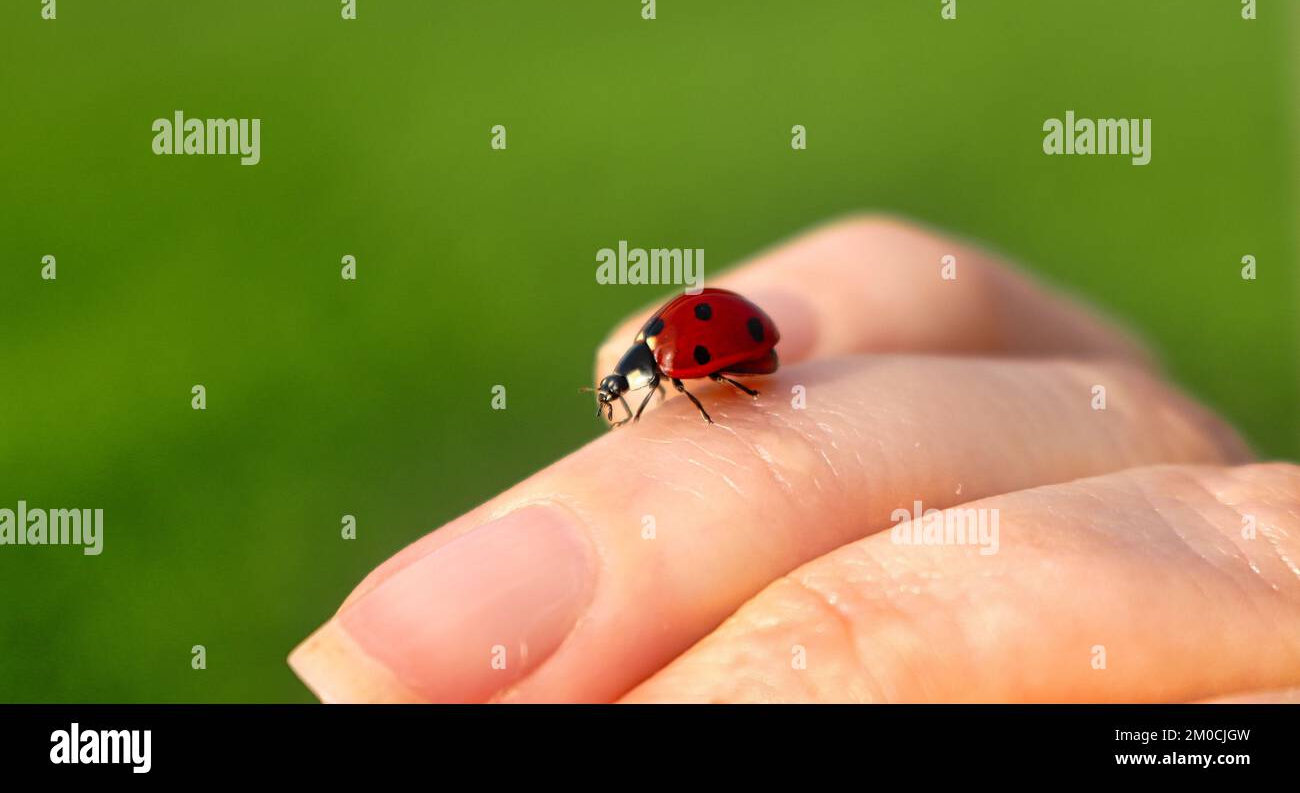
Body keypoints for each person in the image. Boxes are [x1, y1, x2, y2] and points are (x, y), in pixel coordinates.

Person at [289, 216, 1298, 703]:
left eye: (633, 388)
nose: (634, 394)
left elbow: (702, 369)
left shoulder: (677, 366)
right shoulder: (672, 357)